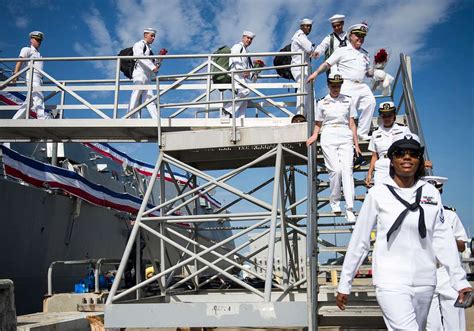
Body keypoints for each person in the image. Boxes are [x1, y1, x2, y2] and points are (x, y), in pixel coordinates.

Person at [336, 134, 472, 330]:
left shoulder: (430, 193)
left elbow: (442, 240)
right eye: (400, 153)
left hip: (425, 281)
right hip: (390, 280)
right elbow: (360, 241)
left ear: (419, 160)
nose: (407, 157)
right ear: (392, 160)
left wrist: (460, 282)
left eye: (413, 154)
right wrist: (345, 283)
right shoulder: (377, 194)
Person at [306, 73, 361, 221]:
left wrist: (356, 144)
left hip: (345, 133)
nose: (336, 88)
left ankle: (350, 208)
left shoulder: (348, 100)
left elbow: (352, 123)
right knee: (336, 171)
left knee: (347, 171)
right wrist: (314, 135)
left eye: (338, 86)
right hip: (329, 133)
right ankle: (335, 201)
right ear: (329, 86)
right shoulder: (322, 102)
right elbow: (318, 123)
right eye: (333, 86)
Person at [307, 23, 375, 141]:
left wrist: (378, 68)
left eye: (363, 36)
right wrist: (316, 73)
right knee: (346, 111)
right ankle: (348, 135)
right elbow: (327, 64)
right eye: (358, 35)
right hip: (347, 85)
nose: (361, 38)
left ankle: (362, 133)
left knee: (371, 102)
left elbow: (368, 73)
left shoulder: (365, 54)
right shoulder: (342, 50)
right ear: (351, 36)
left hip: (362, 85)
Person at [424, 176, 469, 331]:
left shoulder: (450, 215)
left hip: (446, 271)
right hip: (425, 271)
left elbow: (462, 246)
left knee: (454, 323)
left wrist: (448, 238)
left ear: (439, 192)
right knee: (431, 325)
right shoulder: (415, 216)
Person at [365, 101, 411, 186]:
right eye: (384, 116)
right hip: (381, 167)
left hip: (399, 164)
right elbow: (374, 156)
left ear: (394, 115)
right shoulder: (375, 133)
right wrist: (369, 173)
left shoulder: (404, 130)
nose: (387, 118)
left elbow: (411, 150)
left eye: (389, 115)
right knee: (382, 194)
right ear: (380, 116)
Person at [12, 31, 49, 119]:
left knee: (29, 102)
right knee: (38, 97)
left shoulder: (39, 55)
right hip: (32, 77)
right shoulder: (27, 49)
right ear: (31, 40)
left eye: (40, 40)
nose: (38, 42)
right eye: (36, 40)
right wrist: (15, 74)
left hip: (39, 79)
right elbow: (20, 61)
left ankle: (15, 120)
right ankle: (41, 119)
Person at [222, 30, 256, 118]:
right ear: (243, 38)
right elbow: (235, 58)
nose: (249, 40)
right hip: (236, 74)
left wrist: (253, 72)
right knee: (246, 91)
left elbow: (248, 66)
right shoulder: (237, 46)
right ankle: (227, 109)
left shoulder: (247, 51)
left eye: (251, 39)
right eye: (248, 38)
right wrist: (242, 70)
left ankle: (241, 117)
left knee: (244, 97)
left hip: (243, 76)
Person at [128, 28, 160, 119]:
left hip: (147, 76)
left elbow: (151, 64)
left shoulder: (149, 50)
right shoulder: (139, 44)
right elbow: (140, 56)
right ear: (145, 35)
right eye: (151, 35)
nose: (153, 38)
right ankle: (130, 117)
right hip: (139, 73)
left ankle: (156, 119)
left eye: (154, 36)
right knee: (136, 94)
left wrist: (158, 62)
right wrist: (153, 67)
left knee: (150, 97)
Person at [290, 18, 316, 116]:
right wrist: (313, 48)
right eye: (307, 26)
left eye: (310, 26)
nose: (309, 28)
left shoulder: (302, 36)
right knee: (302, 90)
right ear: (301, 26)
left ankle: (304, 114)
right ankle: (299, 114)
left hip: (302, 67)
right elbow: (310, 49)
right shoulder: (300, 35)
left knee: (306, 91)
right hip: (299, 67)